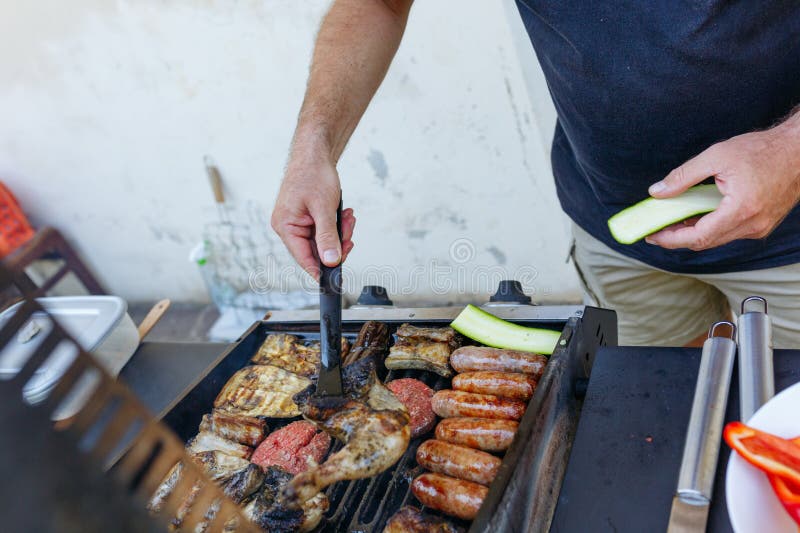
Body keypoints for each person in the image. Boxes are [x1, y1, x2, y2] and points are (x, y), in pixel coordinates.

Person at [271, 1, 800, 347]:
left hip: (792, 227)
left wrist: (788, 150)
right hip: (613, 227)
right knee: (658, 410)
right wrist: (312, 147)